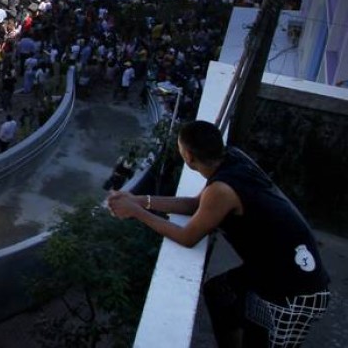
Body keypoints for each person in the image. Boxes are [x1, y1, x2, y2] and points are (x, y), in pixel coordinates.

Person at [107, 121, 330, 347]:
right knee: (218, 292)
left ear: (189, 157)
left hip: (295, 289)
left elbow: (187, 237)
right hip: (275, 269)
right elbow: (196, 205)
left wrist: (136, 212)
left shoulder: (222, 189)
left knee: (258, 339)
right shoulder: (233, 158)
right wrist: (140, 201)